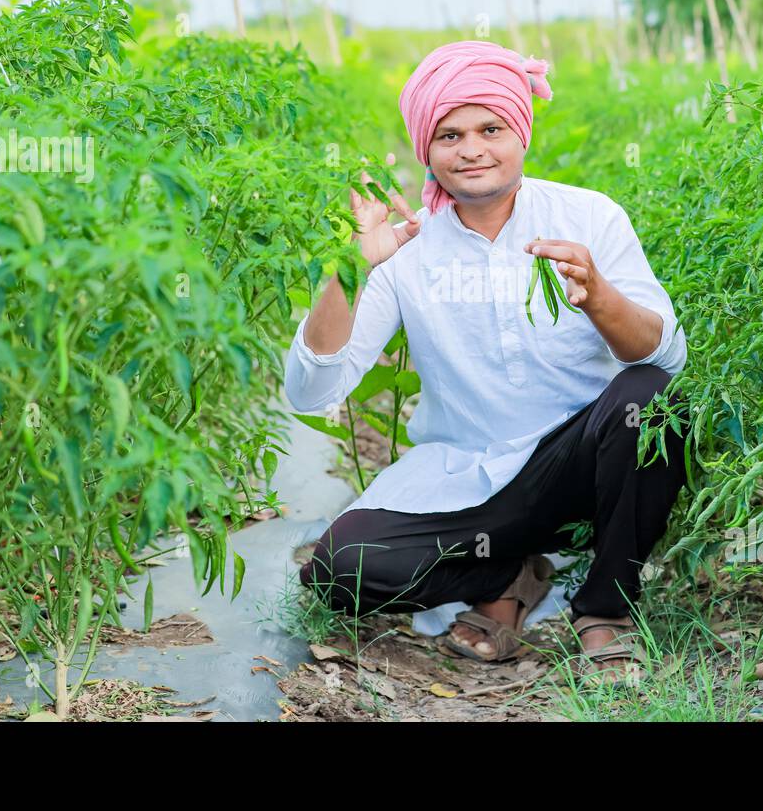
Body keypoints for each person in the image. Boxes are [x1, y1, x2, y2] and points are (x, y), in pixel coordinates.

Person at [285, 39, 689, 685]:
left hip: (579, 465)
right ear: (428, 149)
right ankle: (510, 572)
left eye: (489, 128)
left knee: (652, 398)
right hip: (470, 480)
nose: (471, 148)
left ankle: (604, 611)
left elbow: (665, 352)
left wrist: (600, 300)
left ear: (520, 133)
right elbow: (312, 391)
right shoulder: (407, 250)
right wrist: (349, 270)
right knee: (340, 567)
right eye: (450, 134)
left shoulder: (588, 217)